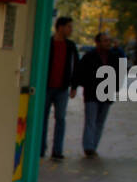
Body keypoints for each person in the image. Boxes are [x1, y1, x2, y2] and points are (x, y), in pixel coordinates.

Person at [77, 30, 124, 156]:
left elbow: (120, 73)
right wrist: (79, 85)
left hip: (107, 93)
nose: (108, 43)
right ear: (97, 42)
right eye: (105, 40)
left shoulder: (114, 57)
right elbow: (80, 72)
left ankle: (93, 146)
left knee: (100, 122)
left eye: (109, 40)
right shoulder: (89, 56)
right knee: (91, 121)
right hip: (92, 93)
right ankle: (88, 147)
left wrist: (116, 89)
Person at [41, 16, 79, 160]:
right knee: (42, 118)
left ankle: (57, 150)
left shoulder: (70, 46)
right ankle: (40, 148)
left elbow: (75, 66)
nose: (71, 30)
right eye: (69, 26)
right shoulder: (48, 43)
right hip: (46, 87)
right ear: (60, 27)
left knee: (61, 118)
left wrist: (74, 86)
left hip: (62, 88)